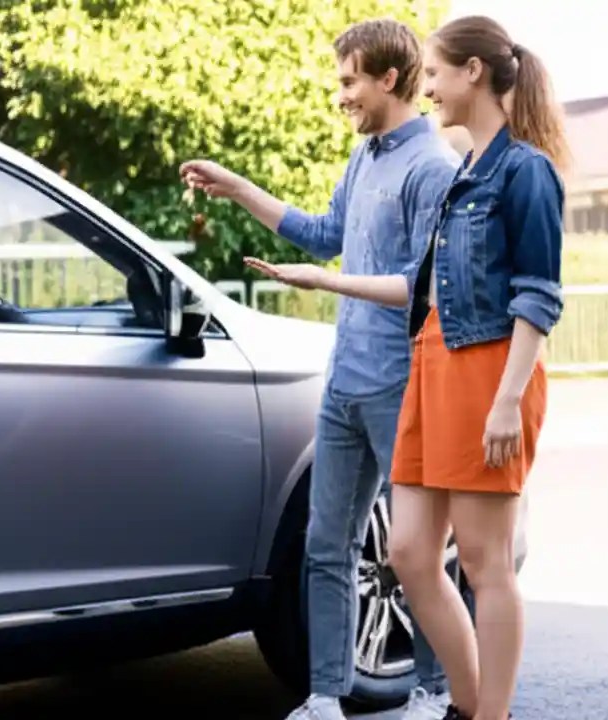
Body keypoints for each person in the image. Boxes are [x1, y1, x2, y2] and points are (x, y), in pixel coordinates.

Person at [244, 15, 568, 720]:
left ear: (473, 73)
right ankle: (461, 700)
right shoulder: (463, 174)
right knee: (412, 553)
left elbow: (538, 296)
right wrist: (318, 270)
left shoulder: (522, 172)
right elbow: (420, 285)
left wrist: (507, 399)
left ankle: (479, 710)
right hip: (430, 368)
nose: (430, 88)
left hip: (482, 376)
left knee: (483, 560)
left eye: (438, 73)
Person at [180, 18, 463, 720]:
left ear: (389, 79)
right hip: (344, 384)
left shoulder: (432, 167)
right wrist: (238, 188)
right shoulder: (365, 157)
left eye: (349, 81)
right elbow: (322, 234)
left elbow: (424, 285)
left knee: (418, 551)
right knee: (326, 546)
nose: (340, 95)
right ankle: (327, 697)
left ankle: (434, 692)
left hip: (402, 385)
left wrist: (326, 283)